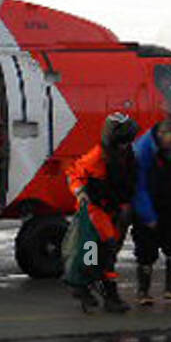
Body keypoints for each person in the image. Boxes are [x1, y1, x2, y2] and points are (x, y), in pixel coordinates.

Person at [65, 112, 139, 313]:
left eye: (128, 141)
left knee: (106, 253)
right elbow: (74, 174)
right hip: (95, 212)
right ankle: (102, 293)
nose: (126, 145)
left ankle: (85, 287)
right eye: (122, 141)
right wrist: (80, 193)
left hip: (113, 211)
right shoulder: (97, 156)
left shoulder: (128, 155)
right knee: (103, 251)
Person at [131, 118, 171, 305]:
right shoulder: (143, 150)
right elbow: (138, 186)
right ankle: (143, 292)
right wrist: (147, 215)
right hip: (150, 203)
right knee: (146, 250)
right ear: (160, 137)